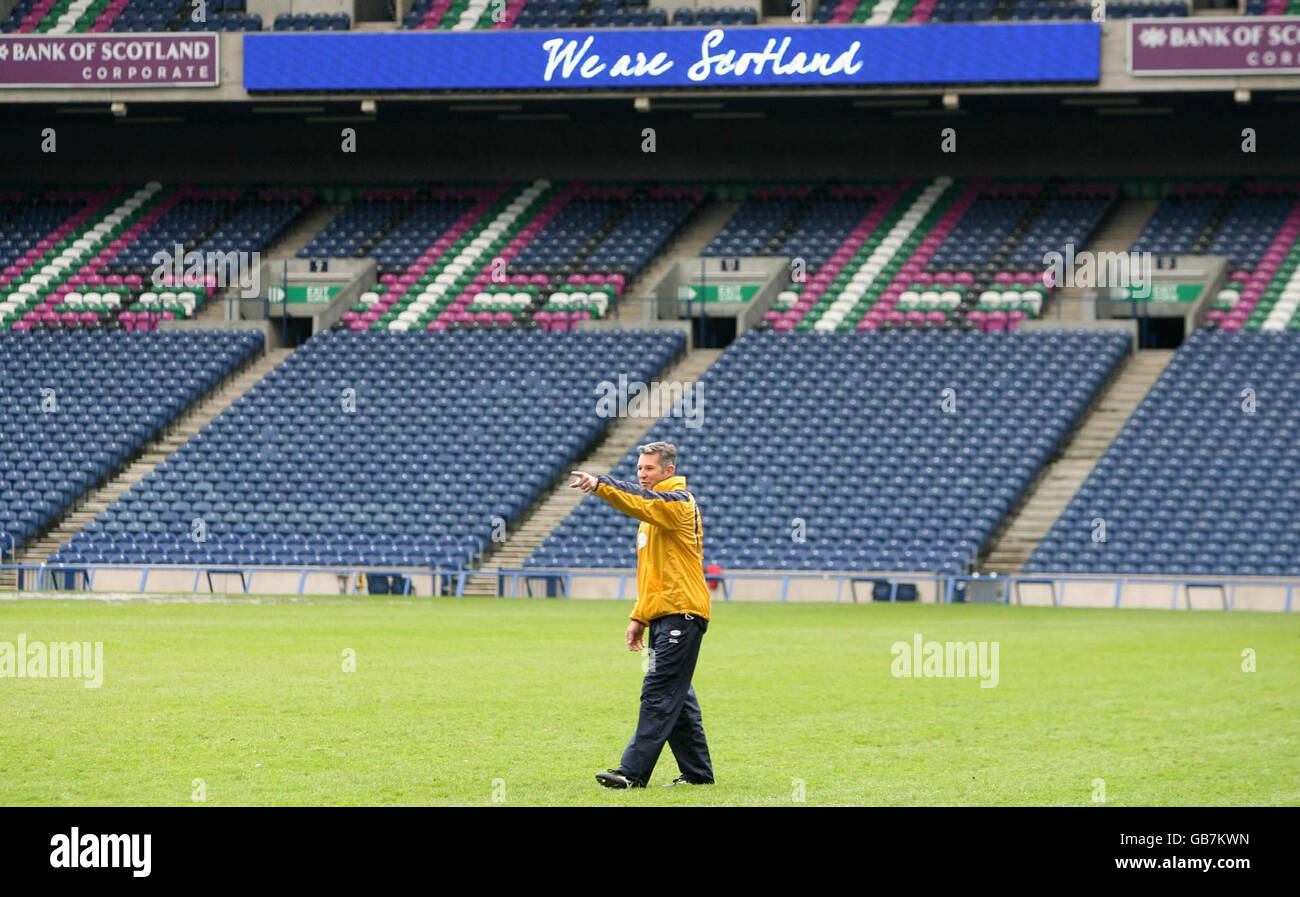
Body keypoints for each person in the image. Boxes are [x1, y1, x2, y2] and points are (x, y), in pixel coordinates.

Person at [570, 441, 714, 788]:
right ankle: (697, 775)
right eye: (638, 468)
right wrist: (639, 617)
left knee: (659, 689)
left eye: (649, 468)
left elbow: (642, 501)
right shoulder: (652, 518)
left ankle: (631, 773)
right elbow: (653, 576)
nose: (642, 474)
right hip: (666, 615)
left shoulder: (677, 502)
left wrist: (601, 485)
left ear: (668, 471)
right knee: (676, 695)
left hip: (683, 613)